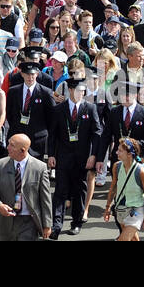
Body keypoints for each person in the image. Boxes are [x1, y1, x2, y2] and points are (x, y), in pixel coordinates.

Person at [48, 76, 101, 237]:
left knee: (79, 190)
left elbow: (97, 132)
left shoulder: (90, 108)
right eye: (78, 90)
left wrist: (93, 155)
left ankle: (76, 222)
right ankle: (56, 225)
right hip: (63, 156)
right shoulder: (59, 109)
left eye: (83, 91)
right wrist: (51, 155)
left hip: (82, 157)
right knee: (60, 191)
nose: (81, 93)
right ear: (70, 90)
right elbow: (53, 135)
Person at [0, 132, 53, 240]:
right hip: (6, 221)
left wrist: (47, 225)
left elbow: (46, 199)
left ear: (22, 150)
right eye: (8, 144)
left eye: (12, 145)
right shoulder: (1, 164)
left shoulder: (40, 168)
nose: (7, 147)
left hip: (29, 222)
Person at [103, 136, 144, 241]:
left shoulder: (141, 171)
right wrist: (107, 207)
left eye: (120, 151)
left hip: (136, 211)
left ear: (129, 154)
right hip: (121, 209)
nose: (116, 152)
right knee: (133, 239)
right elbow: (113, 189)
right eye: (117, 150)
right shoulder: (116, 166)